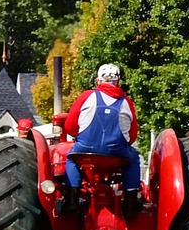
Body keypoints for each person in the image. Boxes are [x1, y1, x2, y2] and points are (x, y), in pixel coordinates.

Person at [60, 64, 142, 200]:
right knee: (133, 158)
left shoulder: (86, 96)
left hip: (85, 151)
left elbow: (70, 127)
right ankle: (131, 201)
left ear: (98, 80)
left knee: (72, 158)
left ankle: (71, 200)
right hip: (117, 154)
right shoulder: (127, 102)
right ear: (118, 81)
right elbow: (132, 136)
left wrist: (81, 137)